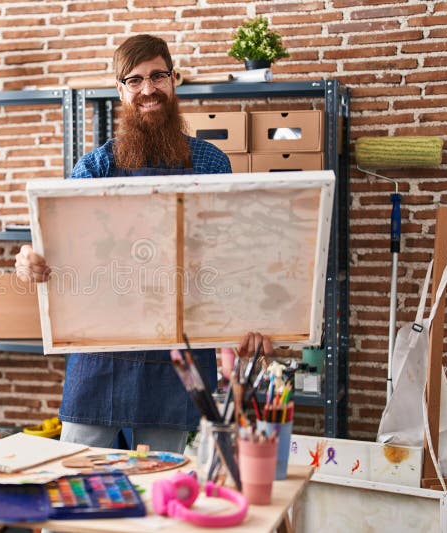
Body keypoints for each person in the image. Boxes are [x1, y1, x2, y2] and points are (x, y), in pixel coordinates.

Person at [16, 35, 272, 453]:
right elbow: (53, 249)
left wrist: (249, 321)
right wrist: (28, 260)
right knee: (76, 489)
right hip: (99, 357)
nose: (147, 89)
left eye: (157, 76)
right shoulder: (96, 166)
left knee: (160, 490)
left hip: (178, 357)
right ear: (120, 91)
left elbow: (236, 257)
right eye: (134, 80)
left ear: (174, 80)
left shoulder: (211, 164)